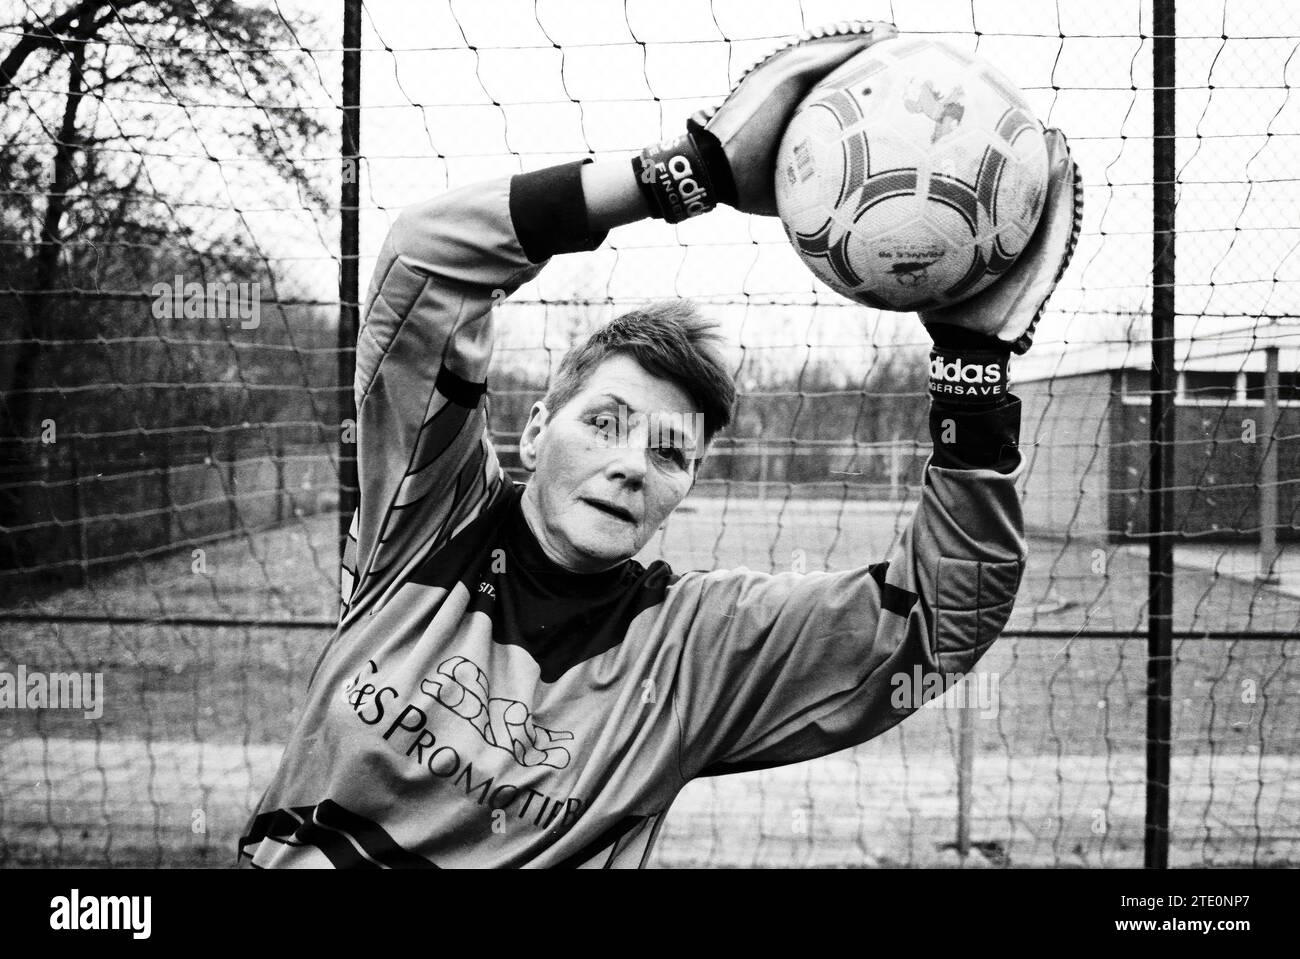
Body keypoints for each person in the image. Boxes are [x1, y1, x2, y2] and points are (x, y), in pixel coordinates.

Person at [238, 21, 1081, 868]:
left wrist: (973, 380)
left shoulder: (687, 653)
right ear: (535, 428)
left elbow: (934, 623)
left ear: (687, 486)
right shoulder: (425, 524)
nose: (631, 462)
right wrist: (682, 175)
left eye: (671, 453)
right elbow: (426, 259)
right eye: (603, 422)